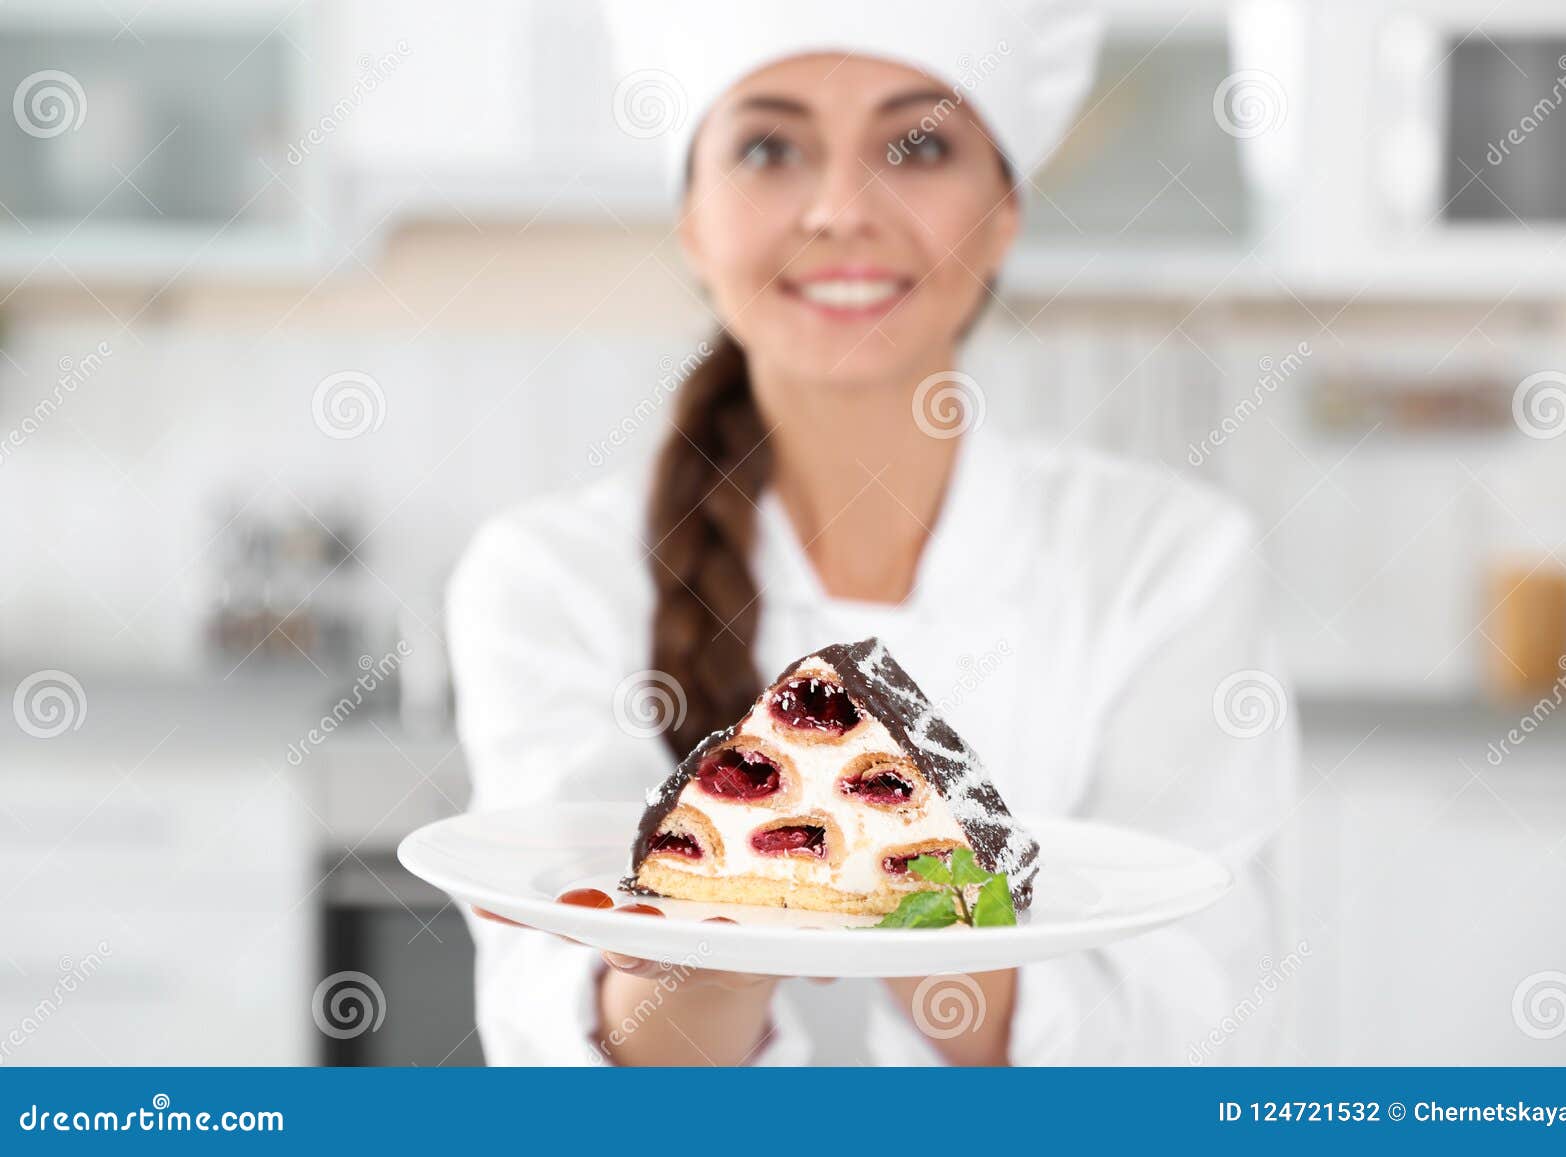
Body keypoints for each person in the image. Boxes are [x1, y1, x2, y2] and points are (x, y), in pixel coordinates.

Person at [446, 0, 1298, 1066]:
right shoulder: (547, 576)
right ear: (693, 221)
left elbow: (1200, 1034)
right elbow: (576, 1052)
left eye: (920, 144)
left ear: (1003, 210)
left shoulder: (1169, 562)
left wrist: (865, 842)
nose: (842, 207)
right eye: (768, 147)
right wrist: (727, 894)